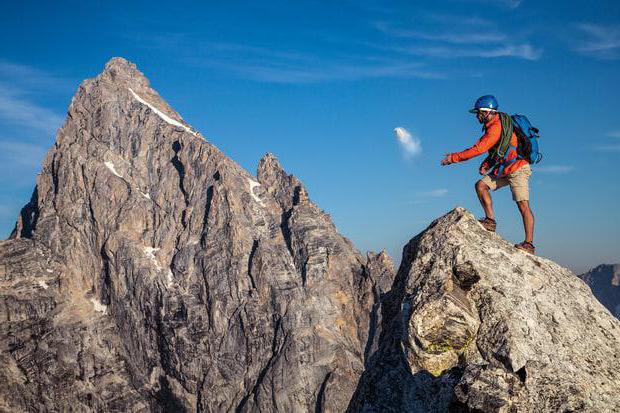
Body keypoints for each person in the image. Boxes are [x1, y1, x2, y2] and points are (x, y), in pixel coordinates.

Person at [440, 95, 535, 254]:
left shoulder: (496, 127)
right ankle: (490, 221)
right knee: (481, 185)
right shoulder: (495, 124)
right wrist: (488, 163)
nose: (477, 116)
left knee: (523, 205)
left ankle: (529, 244)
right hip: (505, 168)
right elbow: (500, 148)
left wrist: (453, 158)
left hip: (518, 168)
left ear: (487, 112)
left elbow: (479, 148)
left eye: (478, 113)